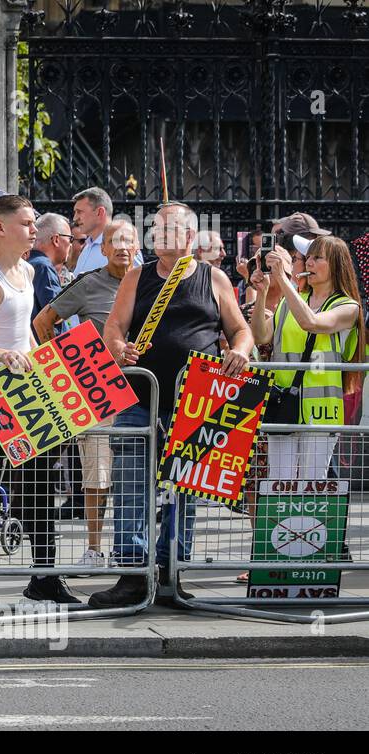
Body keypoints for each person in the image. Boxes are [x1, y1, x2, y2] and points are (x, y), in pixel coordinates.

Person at [89, 202, 253, 608]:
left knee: (185, 490)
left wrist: (242, 352)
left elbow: (240, 330)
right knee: (131, 487)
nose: (159, 235)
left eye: (168, 229)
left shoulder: (214, 278)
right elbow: (114, 327)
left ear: (189, 236)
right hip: (139, 398)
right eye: (156, 229)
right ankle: (132, 573)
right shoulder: (136, 277)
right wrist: (118, 347)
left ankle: (171, 571)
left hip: (196, 404)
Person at [0, 194, 75, 606]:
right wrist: (5, 356)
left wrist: (41, 364)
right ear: (0, 227)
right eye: (27, 223)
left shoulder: (28, 271)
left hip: (24, 394)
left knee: (40, 488)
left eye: (34, 223)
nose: (34, 229)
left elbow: (23, 332)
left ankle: (45, 575)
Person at [33, 219, 140, 565]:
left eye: (128, 240)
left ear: (138, 247)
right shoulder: (88, 284)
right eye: (113, 241)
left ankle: (136, 549)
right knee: (97, 474)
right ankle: (94, 548)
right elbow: (42, 322)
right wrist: (65, 365)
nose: (122, 246)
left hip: (145, 390)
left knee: (138, 474)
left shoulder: (152, 284)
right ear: (102, 249)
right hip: (101, 391)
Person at [250, 235, 364, 478]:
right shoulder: (291, 301)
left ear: (335, 265)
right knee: (280, 483)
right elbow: (260, 336)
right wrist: (262, 294)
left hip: (321, 412)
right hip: (283, 404)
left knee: (312, 484)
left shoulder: (347, 306)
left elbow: (310, 322)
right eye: (307, 258)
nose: (308, 264)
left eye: (317, 258)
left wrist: (282, 279)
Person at [72, 186, 142, 273]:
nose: (75, 218)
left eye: (79, 212)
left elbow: (137, 282)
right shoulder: (87, 247)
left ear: (100, 212)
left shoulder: (124, 245)